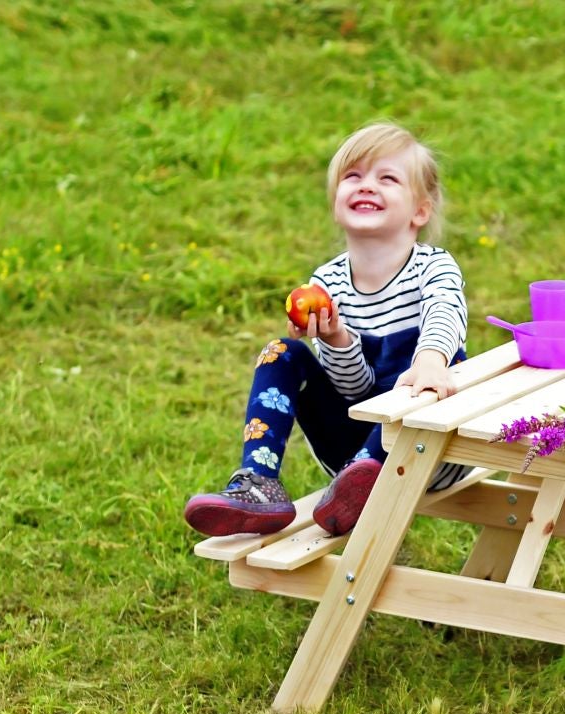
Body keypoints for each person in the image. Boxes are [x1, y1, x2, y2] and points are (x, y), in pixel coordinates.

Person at [184, 122, 468, 538]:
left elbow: (446, 310)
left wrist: (430, 361)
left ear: (420, 211)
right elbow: (354, 390)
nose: (366, 186)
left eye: (386, 178)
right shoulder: (327, 283)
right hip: (352, 461)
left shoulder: (433, 267)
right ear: (336, 201)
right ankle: (259, 482)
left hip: (429, 453)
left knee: (438, 370)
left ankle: (365, 476)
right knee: (283, 351)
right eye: (352, 177)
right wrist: (336, 340)